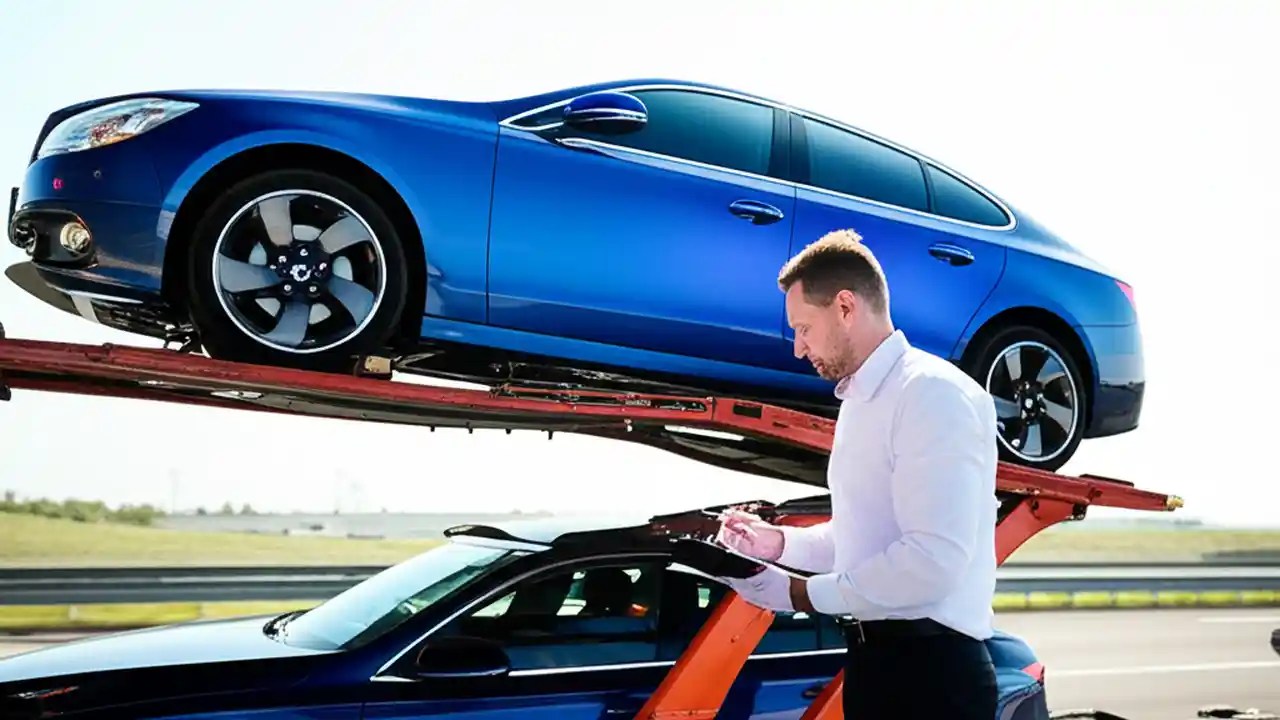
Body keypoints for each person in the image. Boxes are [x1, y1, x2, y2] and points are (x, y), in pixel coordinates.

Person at [716, 228, 1000, 718]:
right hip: (878, 662)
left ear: (845, 307)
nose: (798, 349)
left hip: (934, 677)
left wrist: (799, 593)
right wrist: (778, 545)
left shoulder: (932, 394)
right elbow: (858, 537)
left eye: (803, 328)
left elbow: (931, 561)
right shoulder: (862, 400)